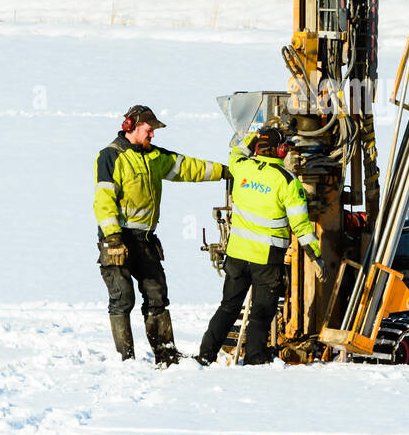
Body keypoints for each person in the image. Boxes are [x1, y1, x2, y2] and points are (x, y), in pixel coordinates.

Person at [95, 104, 227, 367]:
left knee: (157, 296)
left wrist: (224, 171)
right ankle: (126, 360)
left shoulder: (153, 156)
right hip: (118, 240)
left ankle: (166, 354)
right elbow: (103, 199)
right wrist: (112, 238)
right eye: (148, 130)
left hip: (145, 239)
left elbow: (188, 167)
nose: (152, 135)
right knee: (123, 299)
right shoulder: (111, 156)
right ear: (130, 127)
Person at [198, 126, 327, 365]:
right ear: (281, 150)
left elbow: (236, 152)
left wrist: (254, 135)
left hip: (236, 255)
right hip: (266, 260)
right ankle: (255, 359)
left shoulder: (242, 167)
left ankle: (205, 354)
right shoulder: (288, 182)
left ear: (258, 147)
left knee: (228, 307)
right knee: (260, 313)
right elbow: (300, 226)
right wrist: (316, 255)